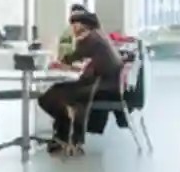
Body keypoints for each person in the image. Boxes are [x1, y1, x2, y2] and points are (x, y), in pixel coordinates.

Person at [40, 11, 124, 151]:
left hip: (101, 86)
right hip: (108, 83)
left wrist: (61, 64)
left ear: (83, 25)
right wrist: (69, 67)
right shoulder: (98, 36)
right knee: (57, 91)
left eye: (74, 24)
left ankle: (64, 131)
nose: (72, 28)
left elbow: (75, 56)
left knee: (50, 96)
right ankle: (64, 134)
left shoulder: (90, 38)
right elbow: (87, 64)